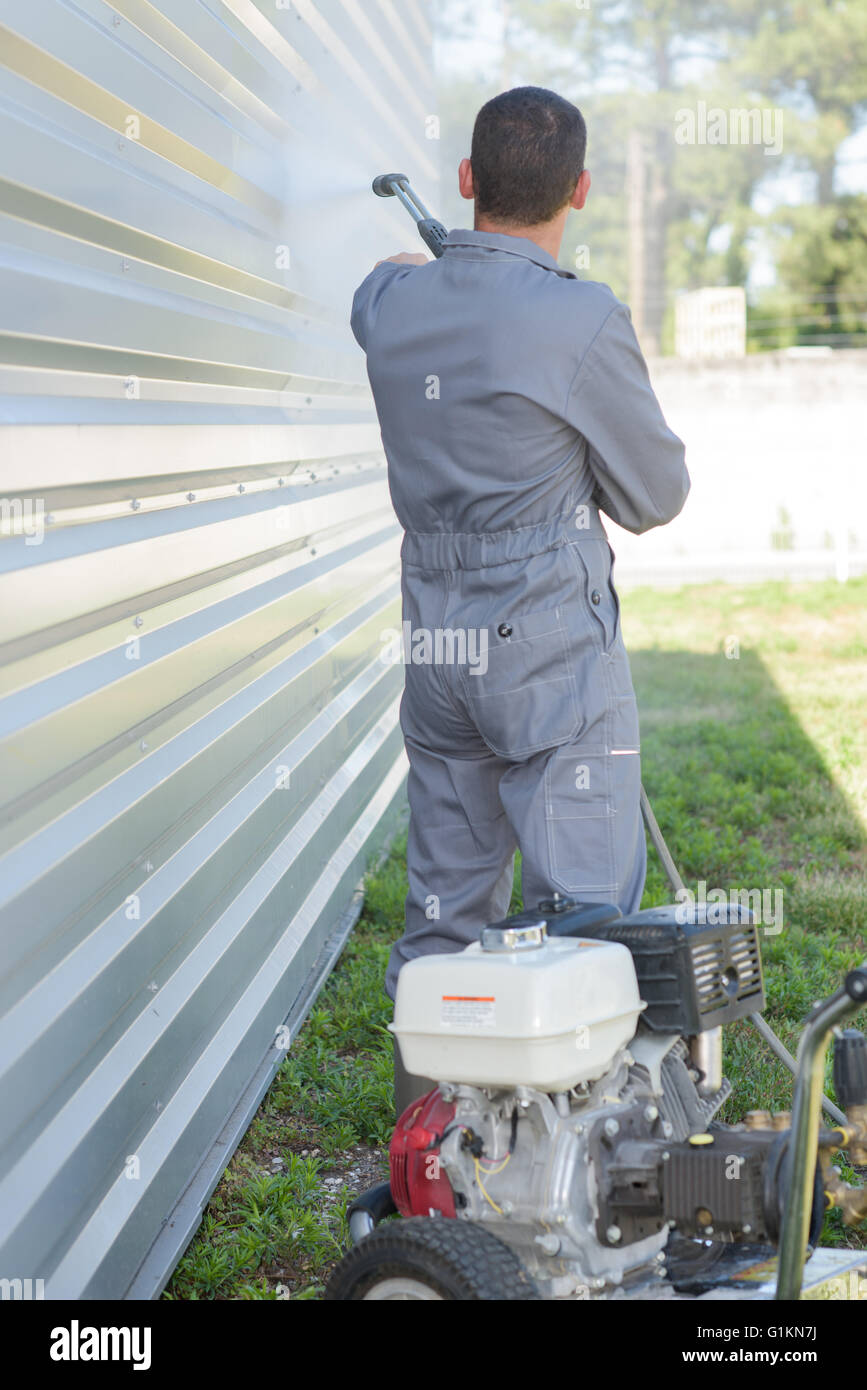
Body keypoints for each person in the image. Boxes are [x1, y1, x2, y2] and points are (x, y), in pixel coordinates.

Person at [350, 87, 690, 1116]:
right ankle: (582, 1174)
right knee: (581, 917)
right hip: (547, 650)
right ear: (579, 191)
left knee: (444, 919)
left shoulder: (387, 304)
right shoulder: (582, 318)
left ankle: (428, 1168)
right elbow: (656, 496)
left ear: (465, 181)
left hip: (438, 642)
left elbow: (391, 284)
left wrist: (443, 271)